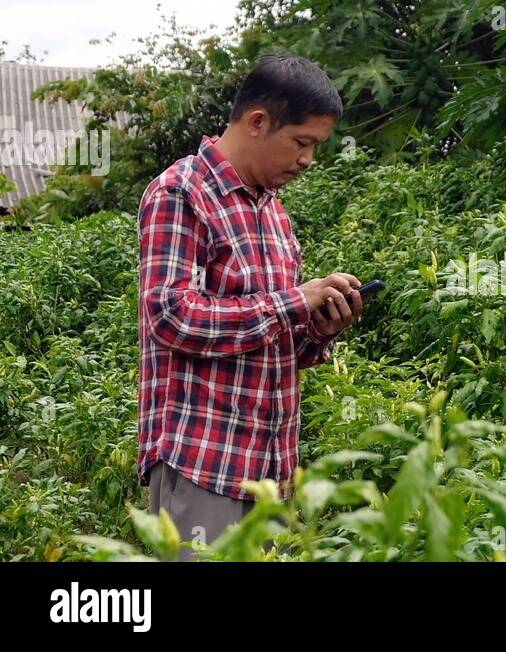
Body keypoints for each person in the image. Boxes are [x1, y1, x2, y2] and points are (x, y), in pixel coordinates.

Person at [136, 53, 362, 560]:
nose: (307, 160)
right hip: (203, 462)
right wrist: (292, 302)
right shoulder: (181, 193)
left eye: (315, 148)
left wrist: (320, 326)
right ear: (258, 121)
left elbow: (274, 340)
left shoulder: (272, 212)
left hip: (270, 469)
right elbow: (171, 318)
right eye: (301, 143)